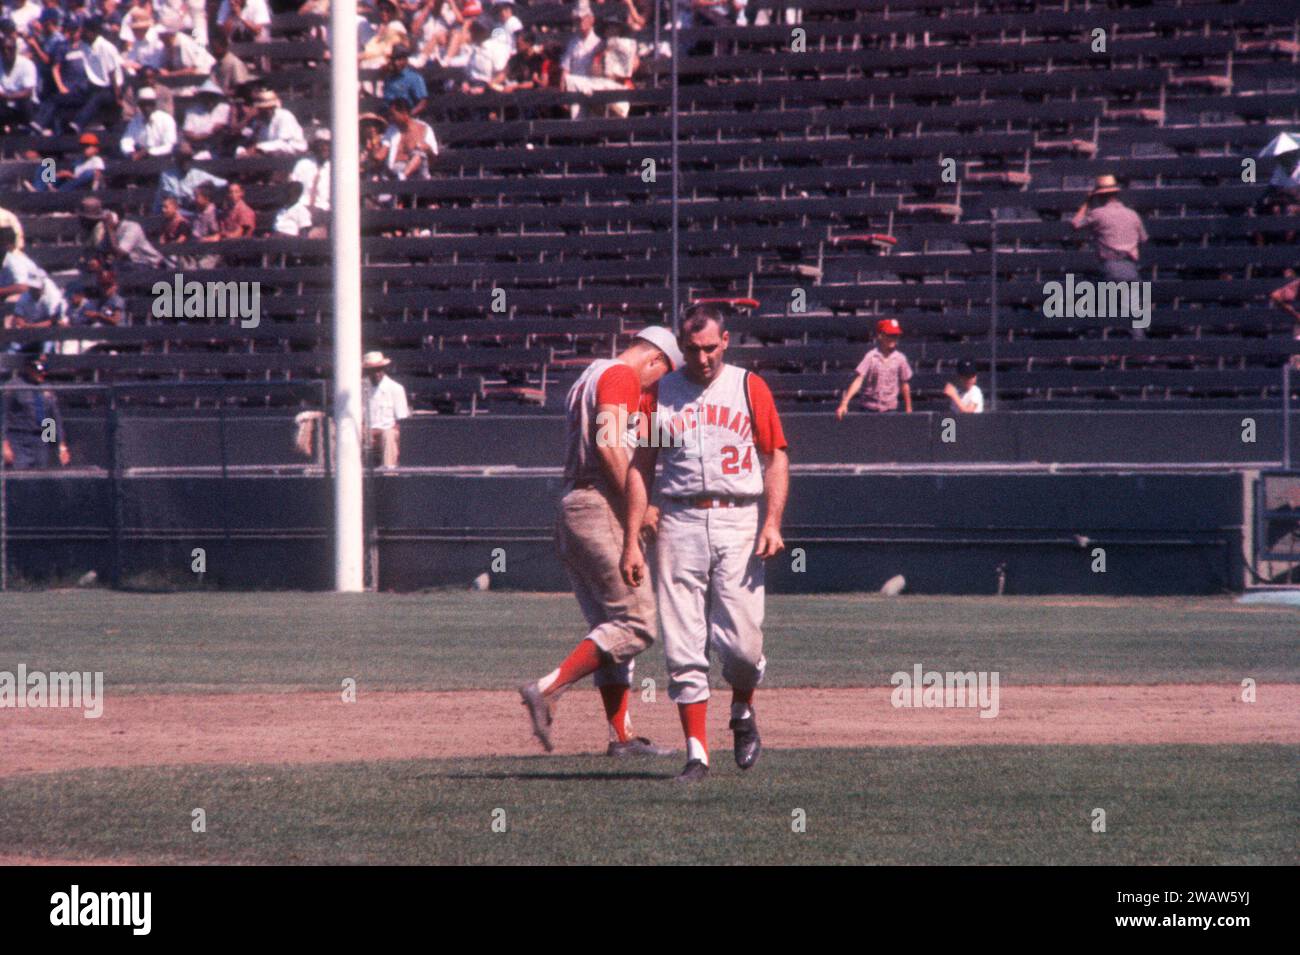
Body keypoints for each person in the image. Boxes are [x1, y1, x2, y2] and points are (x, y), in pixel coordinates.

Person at [620, 305, 789, 783]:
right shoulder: (658, 394)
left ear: (726, 341)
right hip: (678, 518)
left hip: (738, 517)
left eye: (711, 347)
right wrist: (632, 540)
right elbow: (640, 467)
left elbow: (775, 457)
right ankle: (697, 755)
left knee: (740, 647)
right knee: (683, 642)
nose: (703, 357)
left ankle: (742, 709)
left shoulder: (748, 386)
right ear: (681, 345)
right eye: (693, 349)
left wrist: (772, 522)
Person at [518, 326, 683, 758]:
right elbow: (611, 446)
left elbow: (637, 436)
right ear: (654, 361)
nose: (658, 386)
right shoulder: (621, 376)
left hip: (575, 505)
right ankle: (547, 689)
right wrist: (638, 504)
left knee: (609, 629)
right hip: (599, 504)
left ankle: (622, 738)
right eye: (662, 376)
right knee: (637, 624)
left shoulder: (590, 376)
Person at [1071, 174, 1148, 284]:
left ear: (1099, 196)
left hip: (1109, 269)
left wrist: (1087, 201)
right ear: (1116, 193)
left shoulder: (1097, 214)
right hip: (1131, 270)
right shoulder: (1133, 214)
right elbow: (1143, 240)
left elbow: (1075, 223)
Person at [2, 352, 69, 469]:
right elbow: (3, 416)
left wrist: (59, 445)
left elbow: (52, 418)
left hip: (41, 439)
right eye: (38, 369)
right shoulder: (13, 387)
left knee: (40, 476)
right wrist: (3, 443)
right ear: (28, 368)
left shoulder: (47, 388)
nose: (42, 373)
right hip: (19, 439)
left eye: (44, 370)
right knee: (20, 476)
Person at [836, 318, 913, 416]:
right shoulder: (871, 356)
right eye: (889, 335)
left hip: (890, 410)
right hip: (868, 408)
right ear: (880, 336)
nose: (893, 339)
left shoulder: (900, 359)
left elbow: (904, 384)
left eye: (895, 336)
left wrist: (908, 408)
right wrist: (844, 403)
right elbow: (859, 380)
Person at [79, 196, 170, 269]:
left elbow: (121, 253)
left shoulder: (132, 227)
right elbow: (102, 250)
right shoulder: (109, 231)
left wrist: (110, 229)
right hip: (134, 267)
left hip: (152, 266)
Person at [361, 351, 409, 468]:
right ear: (367, 372)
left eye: (379, 369)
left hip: (388, 430)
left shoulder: (396, 388)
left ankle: (389, 472)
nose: (376, 373)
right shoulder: (359, 388)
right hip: (366, 431)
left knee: (388, 435)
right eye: (372, 370)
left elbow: (401, 421)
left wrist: (378, 431)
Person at [154, 142, 228, 212]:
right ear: (177, 160)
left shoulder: (197, 173)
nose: (187, 162)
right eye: (183, 159)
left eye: (189, 158)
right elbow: (171, 198)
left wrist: (209, 184)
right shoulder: (167, 176)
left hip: (195, 213)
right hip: (177, 212)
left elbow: (223, 183)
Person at [236, 88, 307, 156]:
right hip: (271, 161)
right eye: (258, 109)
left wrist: (258, 148)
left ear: (270, 108)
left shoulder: (284, 116)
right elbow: (248, 141)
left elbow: (282, 143)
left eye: (261, 109)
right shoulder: (258, 123)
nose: (258, 112)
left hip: (293, 158)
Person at [381, 96, 437, 180]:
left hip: (418, 175)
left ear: (404, 113)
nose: (390, 118)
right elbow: (382, 152)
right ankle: (400, 178)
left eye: (393, 115)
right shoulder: (391, 130)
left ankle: (403, 176)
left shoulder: (424, 129)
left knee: (420, 153)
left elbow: (433, 159)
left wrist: (428, 149)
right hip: (394, 172)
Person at [291, 127, 331, 232]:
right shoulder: (302, 164)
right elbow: (293, 189)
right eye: (321, 144)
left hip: (323, 212)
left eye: (328, 144)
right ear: (315, 146)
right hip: (301, 209)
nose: (324, 148)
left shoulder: (335, 169)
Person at [119, 85, 176, 157]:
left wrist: (148, 152)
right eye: (143, 104)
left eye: (149, 104)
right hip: (140, 158)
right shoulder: (135, 121)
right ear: (139, 106)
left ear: (154, 105)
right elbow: (126, 140)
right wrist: (130, 152)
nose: (146, 108)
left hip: (161, 159)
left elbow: (169, 146)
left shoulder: (166, 119)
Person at [0, 32, 38, 131]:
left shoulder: (26, 64)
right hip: (5, 103)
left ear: (15, 49)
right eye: (3, 49)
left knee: (24, 102)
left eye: (10, 49)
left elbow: (28, 92)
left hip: (26, 104)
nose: (6, 52)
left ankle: (29, 130)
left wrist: (8, 96)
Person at [381, 46, 427, 115]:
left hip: (407, 117)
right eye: (394, 59)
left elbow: (422, 103)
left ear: (406, 60)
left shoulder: (414, 77)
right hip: (389, 116)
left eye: (400, 59)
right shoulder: (388, 78)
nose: (396, 63)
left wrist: (408, 116)